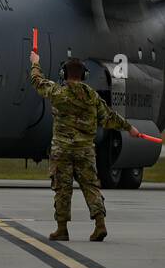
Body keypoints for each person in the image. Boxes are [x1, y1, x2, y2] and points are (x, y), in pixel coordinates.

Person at [29, 51, 134, 242]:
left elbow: (38, 82)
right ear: (84, 75)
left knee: (63, 189)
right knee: (91, 187)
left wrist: (35, 63)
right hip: (85, 151)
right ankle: (99, 224)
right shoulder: (92, 96)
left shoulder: (58, 92)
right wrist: (129, 128)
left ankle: (62, 229)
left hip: (62, 150)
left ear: (64, 75)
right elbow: (108, 117)